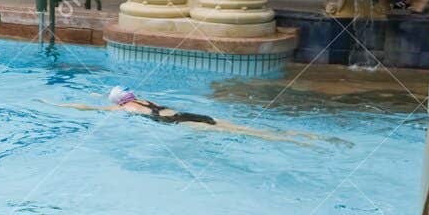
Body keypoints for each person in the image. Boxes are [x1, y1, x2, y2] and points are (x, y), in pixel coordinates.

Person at [55, 86, 316, 143]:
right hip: (187, 113)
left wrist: (61, 106)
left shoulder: (123, 109)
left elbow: (91, 109)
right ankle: (298, 134)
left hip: (176, 123)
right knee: (237, 125)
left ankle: (294, 140)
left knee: (241, 133)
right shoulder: (146, 99)